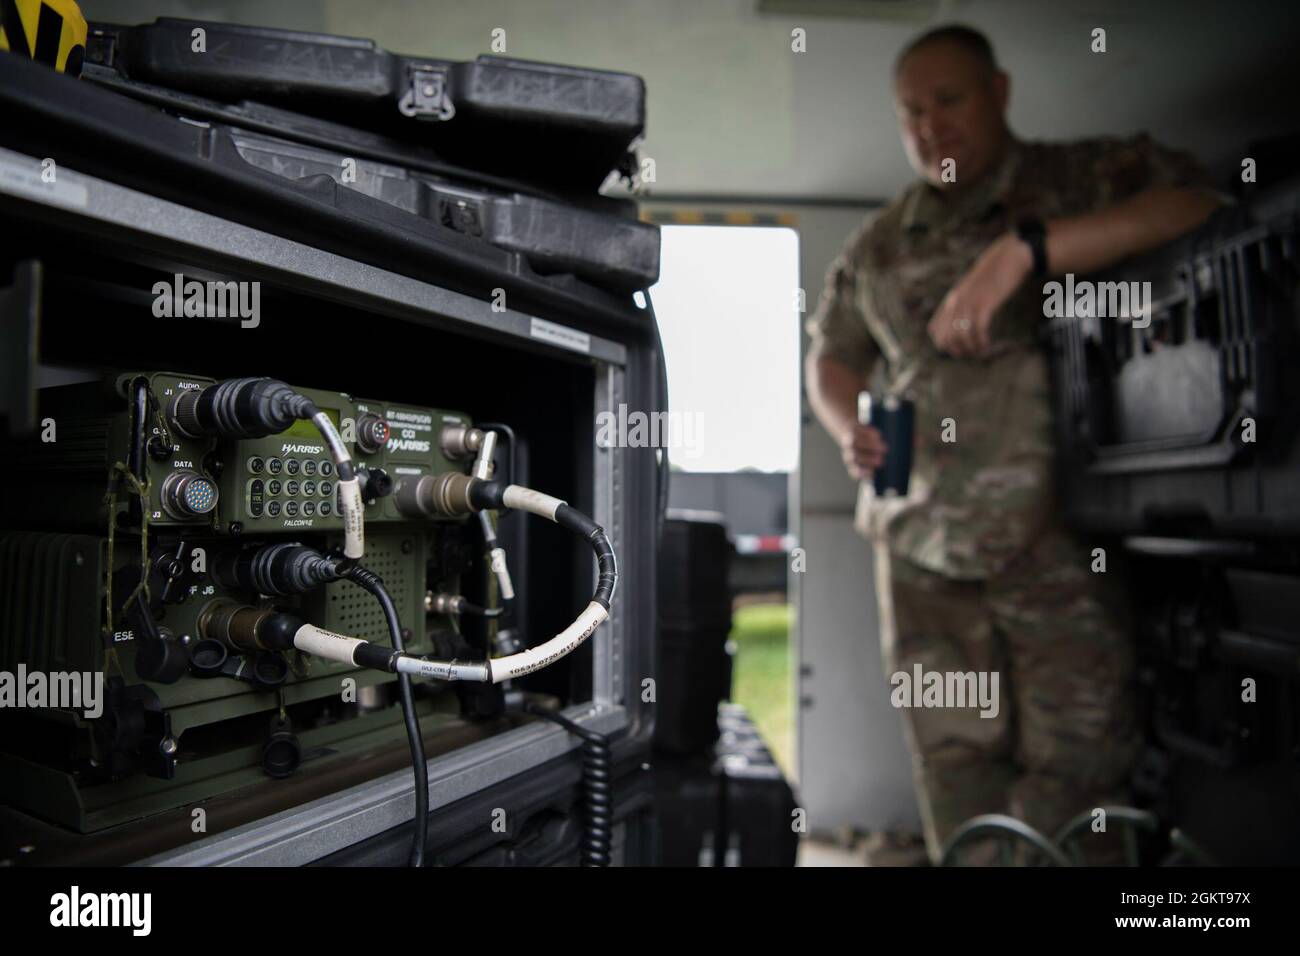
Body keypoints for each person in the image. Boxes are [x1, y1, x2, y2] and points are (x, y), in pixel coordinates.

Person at [804, 24, 1223, 864]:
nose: (929, 127)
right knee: (956, 769)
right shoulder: (882, 241)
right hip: (921, 547)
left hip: (1055, 543)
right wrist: (851, 426)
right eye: (911, 112)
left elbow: (1204, 202)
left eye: (948, 101)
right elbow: (832, 357)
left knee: (1081, 769)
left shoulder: (1076, 179)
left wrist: (1027, 252)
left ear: (998, 92)